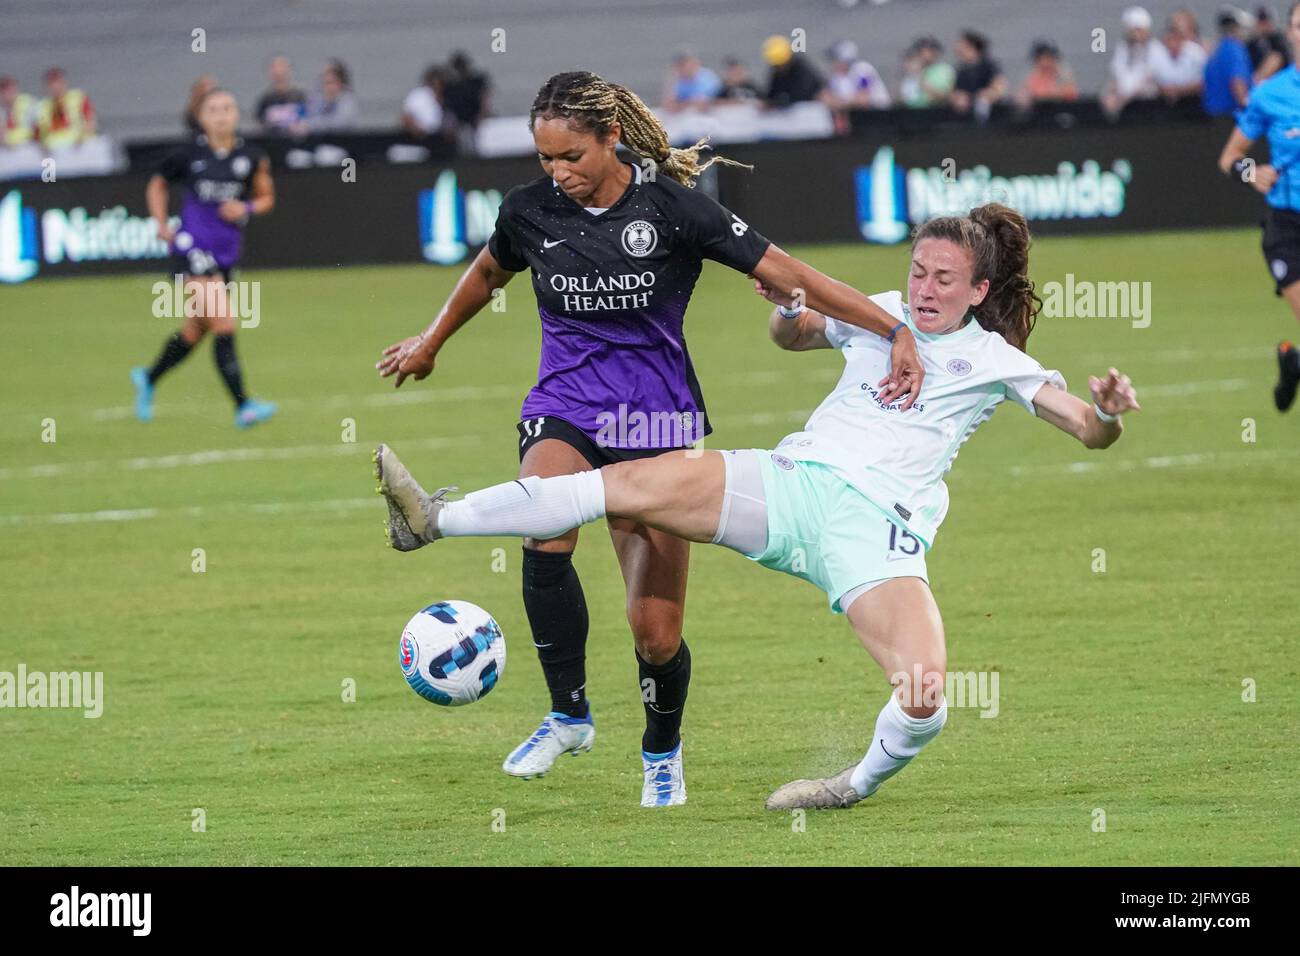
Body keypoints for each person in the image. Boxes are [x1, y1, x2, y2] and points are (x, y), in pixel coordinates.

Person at [373, 202, 1140, 810]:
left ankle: (851, 786)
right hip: (787, 485)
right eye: (919, 272)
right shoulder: (878, 313)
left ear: (978, 291)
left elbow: (1084, 429)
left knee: (926, 695)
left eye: (945, 280)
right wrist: (783, 304)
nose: (925, 291)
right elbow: (792, 334)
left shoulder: (996, 359)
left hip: (875, 535)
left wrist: (1105, 412)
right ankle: (433, 520)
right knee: (621, 484)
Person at [373, 70, 925, 808]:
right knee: (547, 521)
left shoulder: (674, 209)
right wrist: (433, 338)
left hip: (657, 424)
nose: (557, 173)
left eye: (571, 156)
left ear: (611, 139)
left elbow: (789, 273)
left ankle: (661, 750)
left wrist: (892, 329)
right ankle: (569, 713)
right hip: (565, 404)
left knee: (655, 634)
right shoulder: (529, 211)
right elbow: (488, 270)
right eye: (544, 158)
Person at [130, 89, 277, 428]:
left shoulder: (252, 157)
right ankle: (244, 407)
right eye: (213, 110)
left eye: (227, 108)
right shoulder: (188, 156)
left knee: (195, 331)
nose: (221, 115)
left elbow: (267, 196)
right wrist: (160, 222)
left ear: (236, 114)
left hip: (225, 257)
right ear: (202, 118)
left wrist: (247, 206)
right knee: (224, 322)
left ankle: (148, 378)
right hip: (190, 250)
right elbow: (157, 185)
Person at [1218, 2, 1300, 410]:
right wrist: (1253, 172)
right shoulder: (1270, 94)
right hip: (1287, 228)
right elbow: (1230, 156)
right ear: (1290, 32)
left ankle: (1293, 362)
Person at [1102, 7, 1160, 118]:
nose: (1136, 34)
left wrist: (1122, 99)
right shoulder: (1122, 47)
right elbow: (1115, 74)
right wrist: (1109, 94)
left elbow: (1148, 79)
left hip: (1148, 105)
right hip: (1123, 103)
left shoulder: (1155, 49)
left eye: (1139, 30)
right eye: (1133, 30)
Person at [1204, 7, 1255, 116]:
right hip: (1231, 115)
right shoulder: (1235, 48)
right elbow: (1237, 82)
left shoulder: (1218, 49)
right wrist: (1248, 108)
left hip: (1214, 114)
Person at [1150, 12, 1208, 105]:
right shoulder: (1157, 50)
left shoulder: (1196, 52)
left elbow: (1203, 82)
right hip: (1163, 101)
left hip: (1193, 100)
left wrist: (1179, 90)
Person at [34, 67, 96, 148]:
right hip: (54, 149)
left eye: (58, 82)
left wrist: (83, 137)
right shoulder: (43, 106)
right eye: (51, 84)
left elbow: (90, 120)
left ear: (64, 83)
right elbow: (39, 132)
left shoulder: (78, 97)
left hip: (78, 146)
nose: (55, 87)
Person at [949, 31, 1006, 119]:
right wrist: (958, 97)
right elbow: (954, 91)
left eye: (961, 44)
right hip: (965, 116)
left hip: (991, 115)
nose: (958, 47)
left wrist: (986, 95)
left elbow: (999, 87)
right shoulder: (961, 69)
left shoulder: (989, 65)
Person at [761, 36, 825, 108]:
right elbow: (772, 92)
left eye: (780, 65)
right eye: (776, 66)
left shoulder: (803, 71)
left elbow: (802, 94)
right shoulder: (777, 72)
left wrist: (779, 102)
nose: (779, 68)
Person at [1016, 39, 1079, 108]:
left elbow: (1071, 96)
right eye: (1042, 58)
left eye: (1049, 57)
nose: (1046, 62)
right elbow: (1022, 98)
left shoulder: (1062, 75)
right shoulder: (1032, 78)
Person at [302, 59, 359, 132]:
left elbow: (339, 123)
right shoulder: (320, 99)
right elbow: (309, 115)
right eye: (325, 83)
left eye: (331, 83)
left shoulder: (348, 100)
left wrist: (309, 125)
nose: (328, 88)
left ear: (340, 83)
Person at [898, 37, 956, 109]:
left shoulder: (944, 70)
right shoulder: (913, 72)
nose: (923, 53)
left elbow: (947, 96)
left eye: (928, 50)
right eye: (921, 50)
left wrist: (927, 89)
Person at [255, 55, 307, 134]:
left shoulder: (299, 96)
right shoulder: (265, 100)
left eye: (282, 66)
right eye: (275, 67)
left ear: (288, 70)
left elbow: (305, 121)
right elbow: (260, 125)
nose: (278, 71)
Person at [661, 47, 723, 112]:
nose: (683, 67)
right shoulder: (676, 81)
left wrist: (683, 104)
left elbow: (706, 103)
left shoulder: (708, 77)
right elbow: (669, 105)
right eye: (680, 64)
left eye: (685, 63)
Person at [401, 65, 447, 138]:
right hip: (421, 135)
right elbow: (406, 116)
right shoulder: (418, 94)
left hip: (441, 136)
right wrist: (415, 129)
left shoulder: (446, 95)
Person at [1249, 5, 1292, 81]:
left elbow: (1276, 58)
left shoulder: (1278, 39)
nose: (1263, 25)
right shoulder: (1251, 43)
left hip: (1278, 81)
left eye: (1266, 21)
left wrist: (1259, 78)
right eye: (1261, 22)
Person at [1, 75, 36, 147]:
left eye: (11, 90)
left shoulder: (27, 103)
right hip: (7, 147)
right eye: (5, 91)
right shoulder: (2, 110)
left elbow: (33, 128)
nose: (8, 94)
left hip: (27, 144)